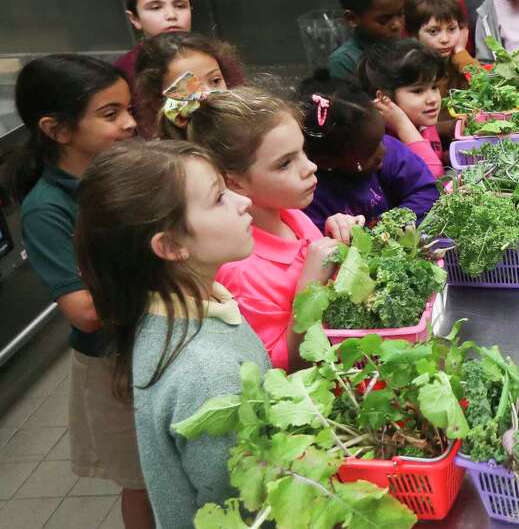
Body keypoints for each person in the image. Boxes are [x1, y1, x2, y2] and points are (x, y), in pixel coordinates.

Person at [74, 141, 268, 529]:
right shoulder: (206, 374)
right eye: (218, 199)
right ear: (171, 246)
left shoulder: (172, 312)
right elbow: (246, 507)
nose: (243, 202)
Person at [4, 55, 151, 528]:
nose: (130, 123)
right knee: (142, 477)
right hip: (114, 363)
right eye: (110, 115)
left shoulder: (125, 170)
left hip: (158, 340)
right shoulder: (48, 209)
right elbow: (84, 311)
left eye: (129, 109)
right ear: (57, 130)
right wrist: (166, 275)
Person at [182, 87, 356, 371]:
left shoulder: (290, 213)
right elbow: (285, 368)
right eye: (285, 163)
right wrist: (309, 287)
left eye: (303, 151)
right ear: (235, 182)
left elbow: (319, 263)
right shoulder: (237, 271)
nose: (310, 166)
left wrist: (336, 235)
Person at [296, 71, 438, 226]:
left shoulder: (385, 148)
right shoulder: (311, 197)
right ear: (326, 162)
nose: (383, 150)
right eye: (370, 152)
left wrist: (388, 229)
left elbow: (426, 190)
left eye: (381, 139)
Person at [357, 39, 447, 179]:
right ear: (385, 97)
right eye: (418, 91)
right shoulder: (383, 141)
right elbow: (434, 179)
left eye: (434, 87)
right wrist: (403, 126)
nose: (433, 99)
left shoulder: (421, 119)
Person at [134, 31, 245, 138]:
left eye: (215, 81)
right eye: (190, 88)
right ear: (157, 101)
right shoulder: (165, 155)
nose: (208, 94)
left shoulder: (248, 132)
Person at [327, 0, 406, 81]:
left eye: (400, 14)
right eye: (384, 19)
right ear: (352, 18)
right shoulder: (344, 63)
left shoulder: (408, 49)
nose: (397, 24)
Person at [114, 0, 193, 84]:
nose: (171, 15)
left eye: (180, 6)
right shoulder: (125, 72)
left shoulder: (214, 57)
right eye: (156, 8)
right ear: (134, 19)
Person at [404, 0, 475, 93]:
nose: (445, 39)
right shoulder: (409, 69)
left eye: (452, 29)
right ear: (414, 34)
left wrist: (460, 51)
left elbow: (487, 89)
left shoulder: (460, 62)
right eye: (433, 31)